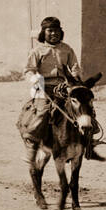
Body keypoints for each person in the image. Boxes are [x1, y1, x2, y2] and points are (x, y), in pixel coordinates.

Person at [17, 16, 81, 147]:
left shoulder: (66, 49)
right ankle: (32, 139)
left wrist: (75, 79)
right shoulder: (37, 51)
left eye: (56, 30)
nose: (54, 34)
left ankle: (89, 138)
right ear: (43, 33)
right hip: (43, 86)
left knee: (81, 105)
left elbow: (75, 67)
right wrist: (35, 81)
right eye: (50, 30)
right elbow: (29, 70)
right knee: (43, 111)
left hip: (63, 85)